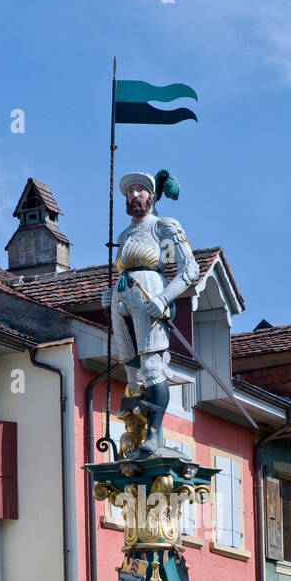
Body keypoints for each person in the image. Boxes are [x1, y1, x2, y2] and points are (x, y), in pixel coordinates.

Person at [102, 170, 199, 457]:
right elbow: (124, 270)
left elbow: (190, 270)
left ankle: (154, 434)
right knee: (133, 372)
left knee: (153, 367)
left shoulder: (163, 227)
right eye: (129, 192)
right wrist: (109, 294)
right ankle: (137, 435)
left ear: (152, 196)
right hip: (122, 301)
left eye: (139, 190)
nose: (133, 195)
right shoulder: (124, 235)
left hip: (150, 298)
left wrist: (165, 297)